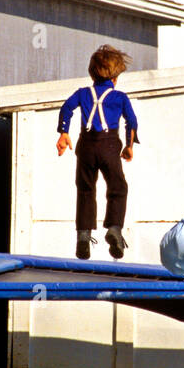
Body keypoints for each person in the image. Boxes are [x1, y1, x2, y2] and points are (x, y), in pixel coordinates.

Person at [56, 45, 138, 259]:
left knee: (85, 189)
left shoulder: (83, 93)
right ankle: (114, 229)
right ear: (116, 76)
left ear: (92, 73)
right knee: (118, 187)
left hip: (86, 145)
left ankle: (83, 236)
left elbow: (66, 109)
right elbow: (132, 121)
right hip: (109, 145)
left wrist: (64, 133)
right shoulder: (119, 97)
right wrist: (129, 145)